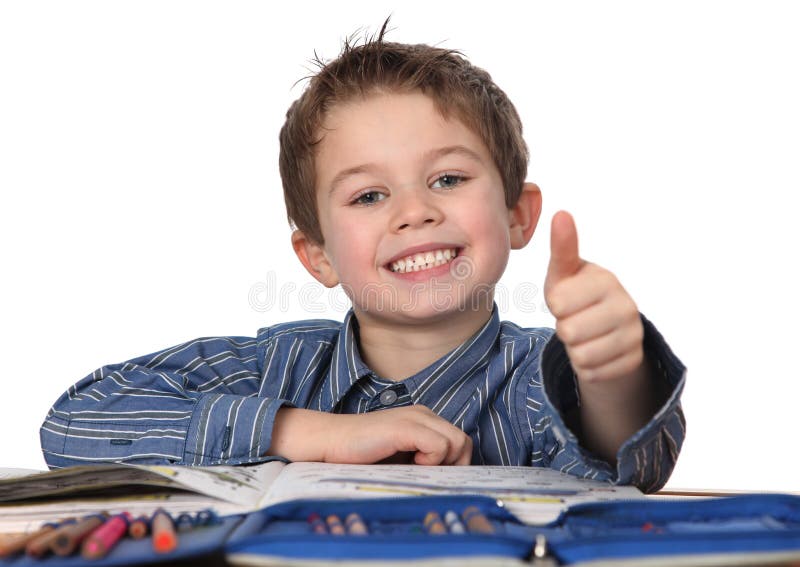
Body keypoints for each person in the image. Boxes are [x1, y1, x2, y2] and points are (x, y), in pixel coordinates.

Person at [40, 21, 685, 492]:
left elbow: (636, 463)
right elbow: (72, 424)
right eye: (369, 194)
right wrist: (310, 435)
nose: (414, 212)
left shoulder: (530, 383)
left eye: (448, 180)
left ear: (517, 215)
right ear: (317, 255)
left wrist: (612, 377)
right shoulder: (279, 368)